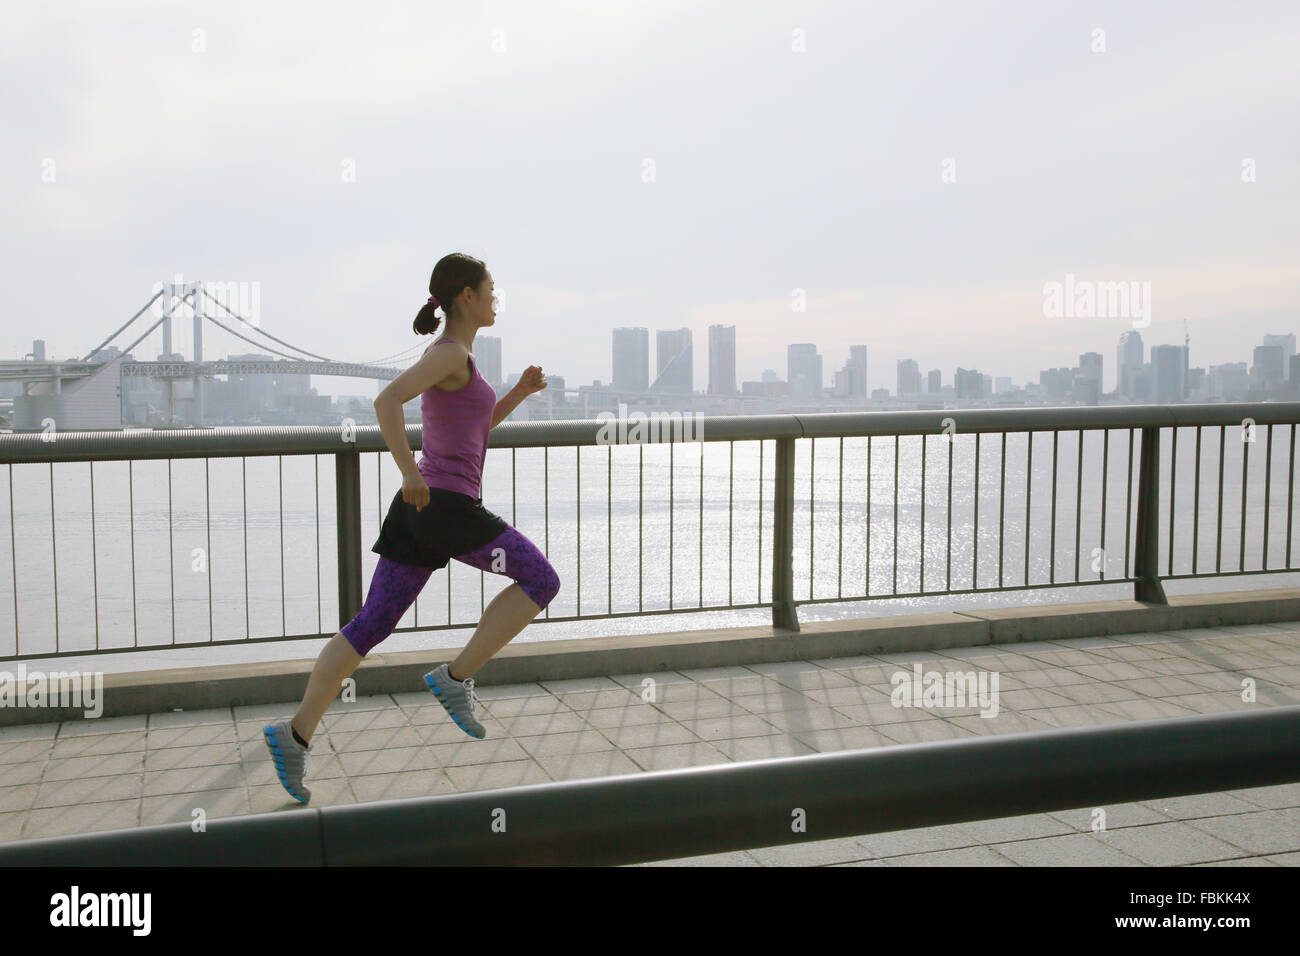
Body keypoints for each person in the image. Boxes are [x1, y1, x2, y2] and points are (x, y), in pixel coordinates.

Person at [263, 253, 561, 803]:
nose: (497, 298)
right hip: (443, 506)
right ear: (466, 297)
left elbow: (474, 428)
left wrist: (517, 394)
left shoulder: (456, 359)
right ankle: (456, 676)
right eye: (490, 290)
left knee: (371, 624)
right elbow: (386, 400)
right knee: (541, 580)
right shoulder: (448, 353)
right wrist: (406, 471)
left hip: (424, 513)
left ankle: (295, 734)